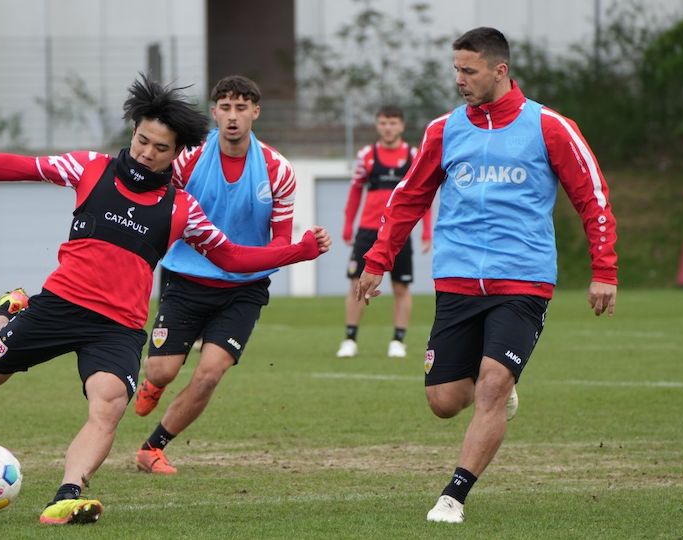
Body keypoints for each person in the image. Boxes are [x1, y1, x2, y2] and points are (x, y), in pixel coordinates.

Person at [0, 75, 331, 525]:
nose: (147, 152)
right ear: (132, 133)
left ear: (176, 153)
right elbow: (21, 167)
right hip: (59, 305)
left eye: (160, 147)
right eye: (142, 140)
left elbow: (231, 255)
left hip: (118, 327)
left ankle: (67, 495)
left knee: (108, 407)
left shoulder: (183, 208)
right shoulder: (89, 168)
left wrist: (298, 250)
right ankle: (9, 311)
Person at [355, 27, 618, 524]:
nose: (459, 79)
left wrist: (604, 268)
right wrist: (377, 260)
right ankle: (494, 380)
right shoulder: (444, 130)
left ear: (500, 71)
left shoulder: (550, 127)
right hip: (456, 280)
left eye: (468, 70)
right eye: (456, 69)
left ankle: (453, 497)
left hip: (522, 281)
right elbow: (408, 199)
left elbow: (593, 197)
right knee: (443, 401)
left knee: (492, 386)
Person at [132, 75, 296, 475]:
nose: (233, 116)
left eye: (241, 108)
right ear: (214, 112)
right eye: (225, 108)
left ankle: (152, 449)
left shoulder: (277, 169)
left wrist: (300, 249)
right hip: (186, 280)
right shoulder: (187, 158)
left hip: (243, 288)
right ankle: (154, 383)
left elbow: (281, 240)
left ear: (255, 112)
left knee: (208, 375)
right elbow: (159, 207)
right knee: (162, 370)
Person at [337, 105, 432, 359]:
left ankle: (398, 341)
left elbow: (424, 195)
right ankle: (350, 339)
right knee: (357, 285)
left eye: (392, 123)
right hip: (368, 232)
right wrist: (348, 225)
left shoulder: (413, 155)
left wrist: (426, 232)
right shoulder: (366, 155)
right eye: (383, 123)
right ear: (377, 125)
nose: (388, 128)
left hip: (399, 234)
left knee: (401, 288)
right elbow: (356, 190)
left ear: (401, 126)